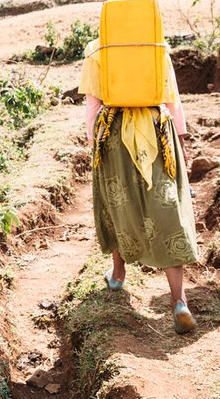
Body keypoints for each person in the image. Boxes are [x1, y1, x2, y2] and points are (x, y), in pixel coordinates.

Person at [79, 30, 200, 335]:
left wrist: (95, 142)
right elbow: (172, 98)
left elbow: (92, 106)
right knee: (166, 207)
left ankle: (118, 274)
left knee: (117, 203)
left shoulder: (98, 50)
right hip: (157, 129)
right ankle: (178, 301)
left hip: (114, 133)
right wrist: (181, 141)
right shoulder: (156, 47)